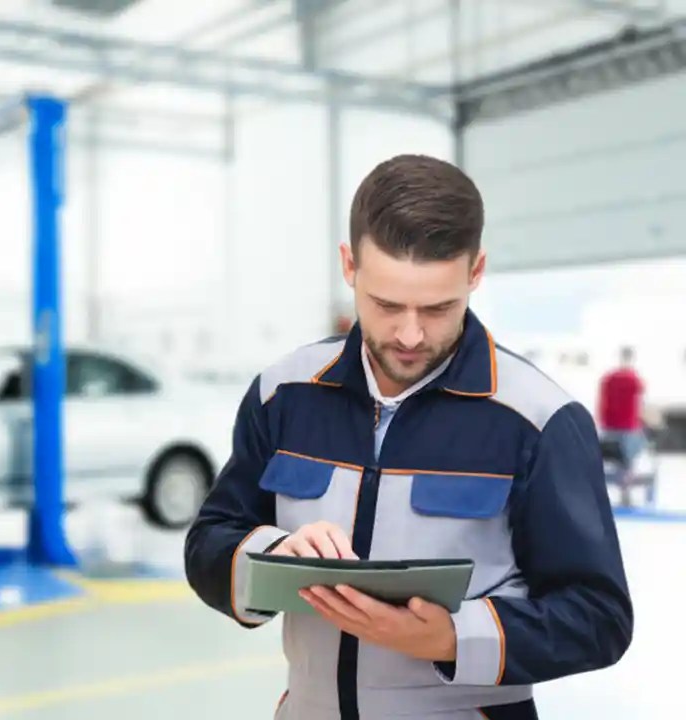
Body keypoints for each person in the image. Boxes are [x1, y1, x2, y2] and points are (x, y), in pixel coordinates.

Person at [184, 154, 632, 719]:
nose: (411, 334)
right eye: (387, 305)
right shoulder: (284, 394)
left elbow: (598, 618)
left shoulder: (539, 418)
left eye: (439, 307)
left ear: (475, 272)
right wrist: (272, 555)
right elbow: (209, 542)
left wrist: (450, 638)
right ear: (350, 266)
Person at [597, 346, 647, 507]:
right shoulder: (634, 380)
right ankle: (625, 494)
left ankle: (613, 493)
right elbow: (640, 405)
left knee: (613, 460)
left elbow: (602, 402)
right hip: (628, 427)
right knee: (627, 461)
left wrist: (602, 422)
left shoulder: (609, 378)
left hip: (611, 425)